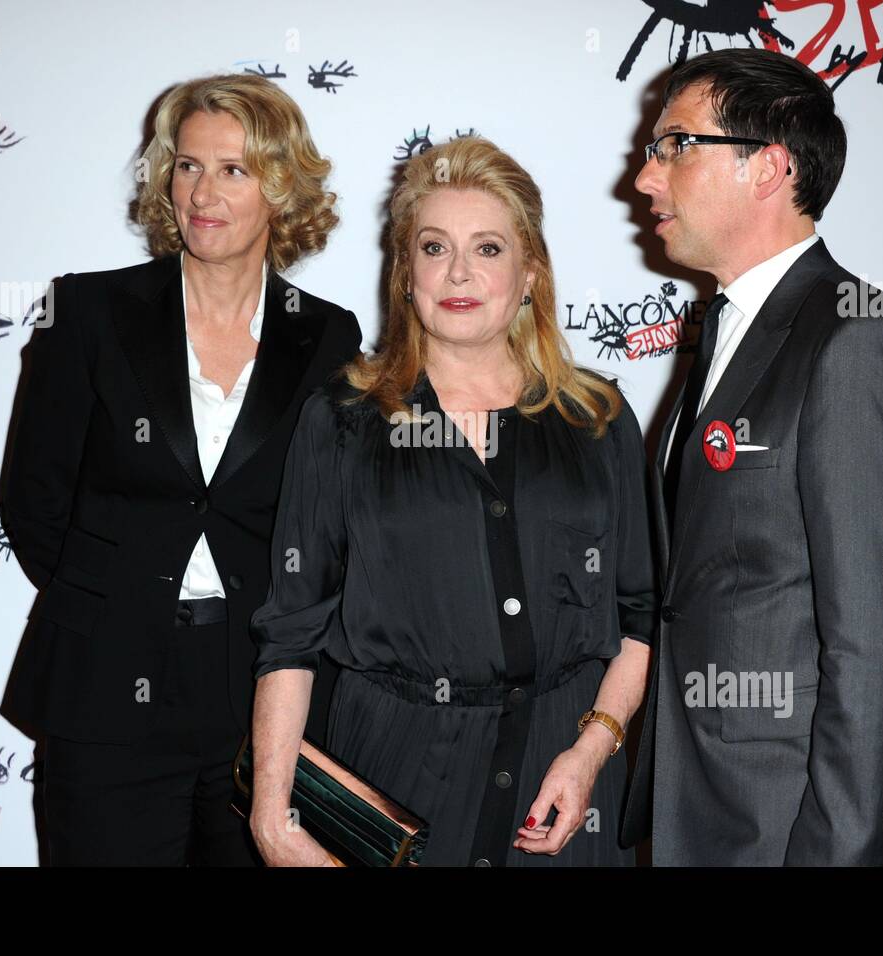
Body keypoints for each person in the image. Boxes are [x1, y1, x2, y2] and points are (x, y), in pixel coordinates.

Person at [247, 136, 656, 867]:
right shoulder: (342, 420)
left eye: (489, 248)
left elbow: (640, 616)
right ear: (406, 274)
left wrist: (591, 752)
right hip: (397, 783)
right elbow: (291, 632)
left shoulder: (597, 420)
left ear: (530, 273)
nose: (460, 272)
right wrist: (272, 814)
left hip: (560, 786)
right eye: (434, 248)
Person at [0, 74, 362, 866]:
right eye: (188, 165)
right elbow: (34, 502)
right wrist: (113, 603)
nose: (203, 191)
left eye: (234, 169)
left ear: (281, 188)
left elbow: (331, 523)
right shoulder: (90, 312)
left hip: (263, 692)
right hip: (107, 688)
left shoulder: (328, 337)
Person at [620, 48, 883, 865]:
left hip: (796, 827)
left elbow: (882, 645)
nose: (645, 180)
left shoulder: (855, 342)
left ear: (766, 167)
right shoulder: (730, 330)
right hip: (708, 810)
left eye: (673, 146)